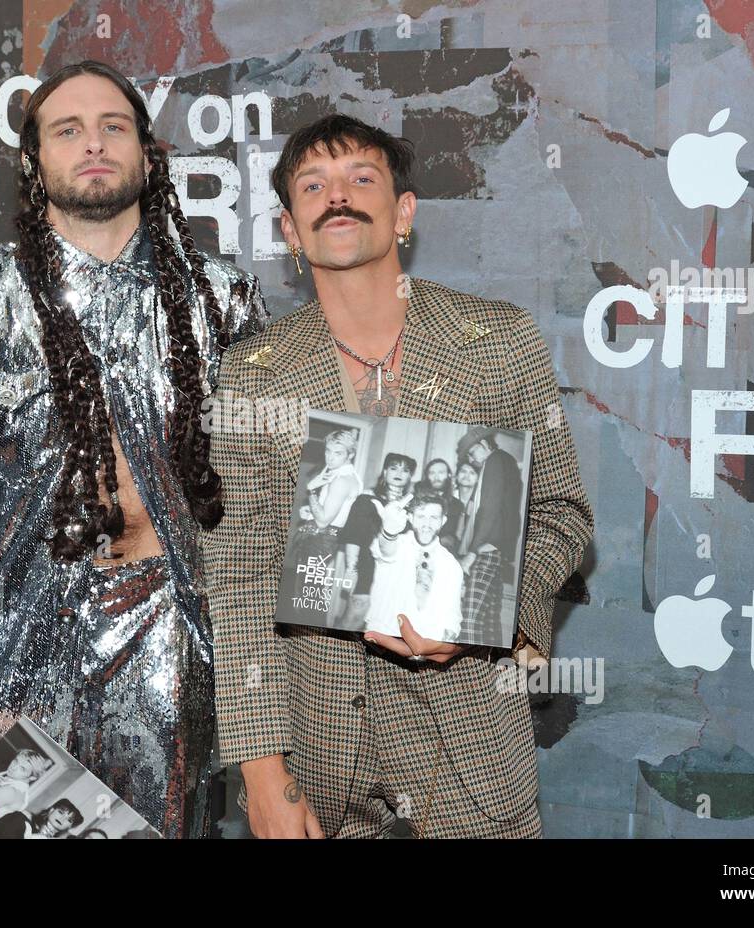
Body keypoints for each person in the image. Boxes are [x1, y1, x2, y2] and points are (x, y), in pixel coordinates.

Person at [0, 59, 268, 840]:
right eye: (68, 129)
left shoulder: (223, 299)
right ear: (33, 160)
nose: (94, 143)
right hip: (11, 651)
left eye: (114, 127)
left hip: (174, 644)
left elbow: (266, 505)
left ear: (149, 157)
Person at [202, 113, 593, 838]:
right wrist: (261, 770)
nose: (337, 197)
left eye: (361, 178)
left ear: (403, 211)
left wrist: (489, 613)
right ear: (290, 230)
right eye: (313, 186)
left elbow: (561, 516)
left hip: (470, 740)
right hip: (321, 755)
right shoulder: (248, 377)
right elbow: (240, 575)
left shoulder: (497, 340)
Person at [279, 429, 362, 619]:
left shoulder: (341, 480)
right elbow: (333, 513)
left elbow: (323, 520)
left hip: (320, 538)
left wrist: (311, 490)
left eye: (338, 453)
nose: (330, 458)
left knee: (307, 599)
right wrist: (310, 511)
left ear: (351, 454)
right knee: (308, 596)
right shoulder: (343, 475)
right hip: (322, 538)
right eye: (328, 451)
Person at [365, 492, 464, 641]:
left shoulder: (452, 565)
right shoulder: (399, 545)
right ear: (410, 518)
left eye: (433, 518)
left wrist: (445, 639)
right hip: (385, 635)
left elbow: (452, 615)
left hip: (426, 643)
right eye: (421, 517)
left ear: (443, 521)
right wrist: (389, 531)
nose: (427, 524)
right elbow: (385, 551)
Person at [336, 452, 416, 626]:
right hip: (368, 566)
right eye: (393, 468)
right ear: (385, 472)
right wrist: (351, 568)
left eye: (405, 470)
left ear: (410, 476)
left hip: (397, 571)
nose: (398, 473)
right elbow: (354, 534)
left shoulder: (412, 507)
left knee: (384, 622)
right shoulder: (367, 500)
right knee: (356, 615)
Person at [458, 432, 525, 587]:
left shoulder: (494, 460)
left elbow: (490, 508)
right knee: (489, 607)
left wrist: (472, 552)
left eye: (472, 452)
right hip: (501, 544)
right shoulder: (506, 459)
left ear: (484, 443)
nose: (470, 460)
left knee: (472, 604)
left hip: (489, 544)